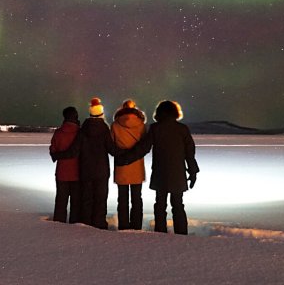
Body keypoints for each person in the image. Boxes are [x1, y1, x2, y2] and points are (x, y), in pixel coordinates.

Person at [116, 100, 199, 235]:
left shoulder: (155, 128)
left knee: (160, 206)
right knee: (178, 205)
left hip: (160, 173)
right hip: (178, 174)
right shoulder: (182, 129)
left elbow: (143, 148)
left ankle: (160, 234)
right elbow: (190, 153)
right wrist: (193, 171)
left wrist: (125, 159)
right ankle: (182, 234)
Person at [78, 97, 116, 229]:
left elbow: (77, 148)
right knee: (100, 198)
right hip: (101, 170)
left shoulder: (83, 128)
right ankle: (99, 223)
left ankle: (86, 223)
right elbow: (111, 149)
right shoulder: (105, 129)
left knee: (86, 198)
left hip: (85, 169)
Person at [111, 99, 146, 230]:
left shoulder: (115, 125)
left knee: (122, 198)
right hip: (136, 164)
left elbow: (112, 144)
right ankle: (136, 226)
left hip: (121, 165)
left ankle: (124, 225)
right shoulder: (141, 125)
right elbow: (144, 145)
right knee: (137, 198)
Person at [49, 106, 81, 223]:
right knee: (76, 203)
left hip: (62, 172)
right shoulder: (79, 133)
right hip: (77, 173)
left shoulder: (58, 133)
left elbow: (53, 150)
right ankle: (74, 224)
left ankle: (58, 223)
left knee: (61, 201)